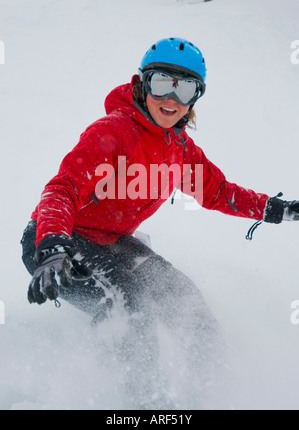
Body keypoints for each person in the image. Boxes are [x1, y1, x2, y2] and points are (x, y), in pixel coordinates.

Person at [21, 37, 299, 407]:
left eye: (185, 88)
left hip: (111, 240)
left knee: (186, 301)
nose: (171, 99)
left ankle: (212, 392)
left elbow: (219, 191)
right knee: (130, 306)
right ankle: (142, 405)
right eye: (161, 83)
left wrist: (273, 209)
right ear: (142, 83)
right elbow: (61, 191)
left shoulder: (179, 148)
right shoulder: (112, 133)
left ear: (196, 97)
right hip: (58, 243)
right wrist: (53, 246)